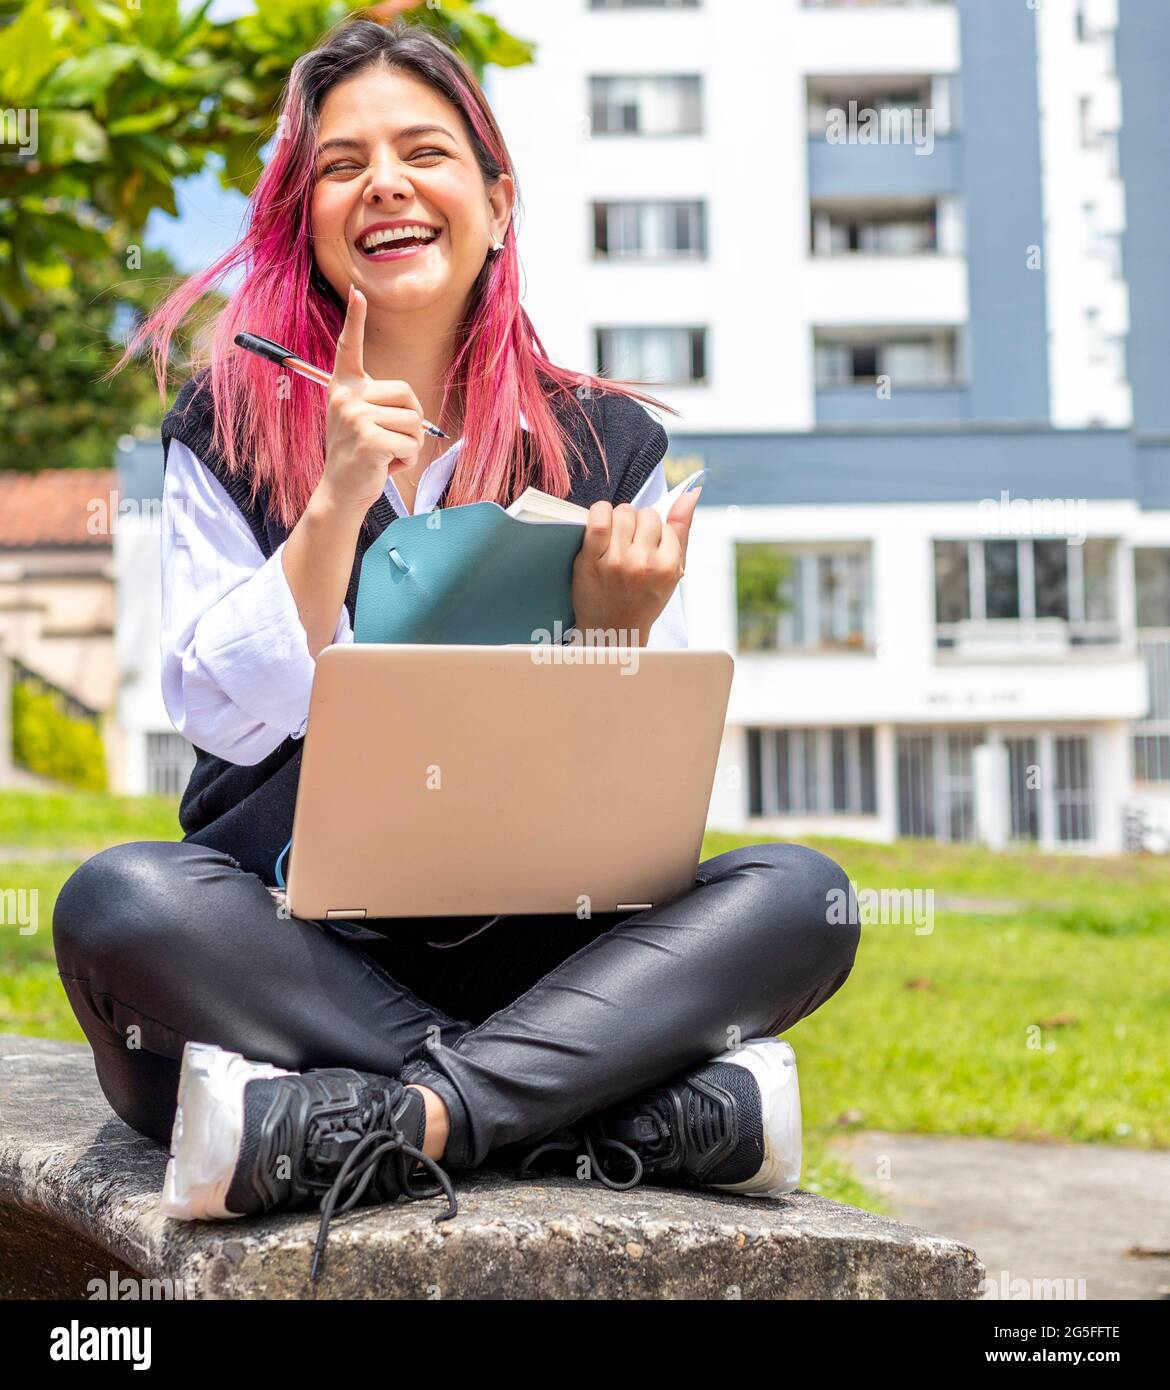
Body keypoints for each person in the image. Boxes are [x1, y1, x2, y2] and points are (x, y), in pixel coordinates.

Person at [53, 17, 860, 1276]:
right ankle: (601, 1117)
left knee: (803, 890)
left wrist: (615, 639)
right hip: (294, 964)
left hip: (544, 959)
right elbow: (220, 716)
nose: (382, 183)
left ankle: (378, 1123)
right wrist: (332, 504)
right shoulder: (227, 421)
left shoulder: (609, 451)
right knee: (121, 902)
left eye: (421, 152)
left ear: (494, 202)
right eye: (341, 164)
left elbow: (648, 818)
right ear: (306, 216)